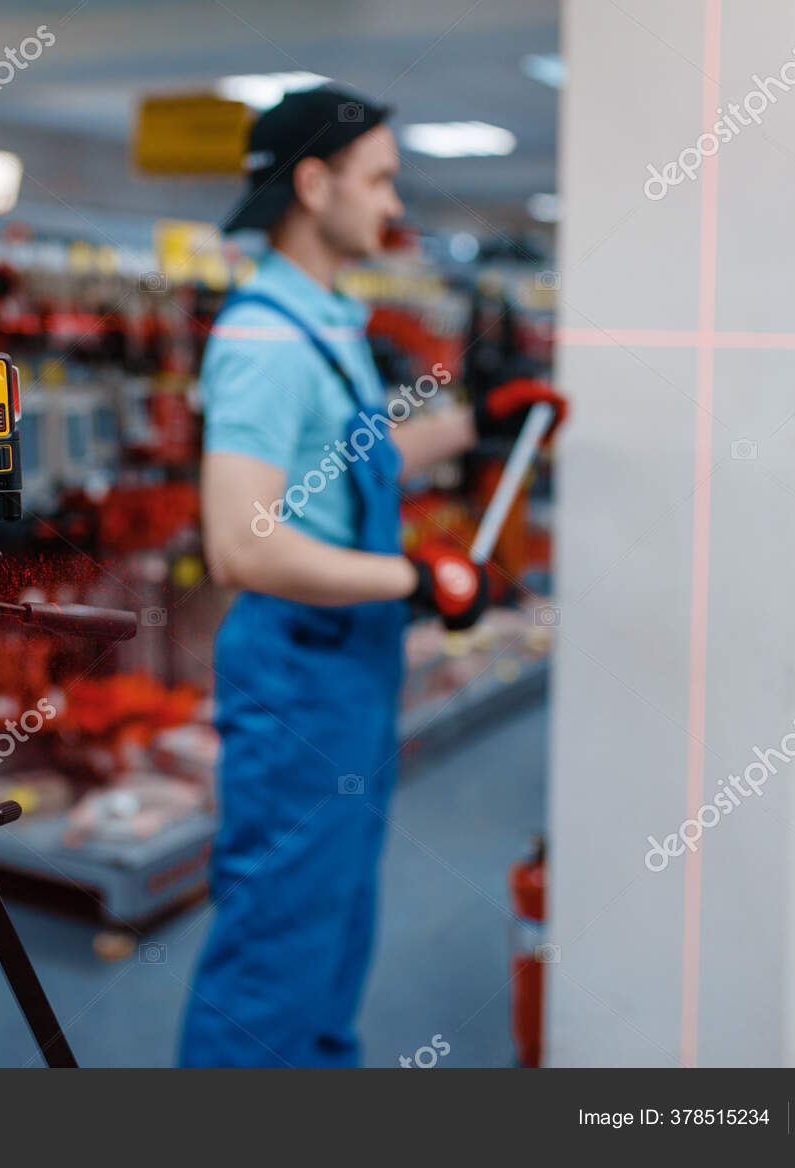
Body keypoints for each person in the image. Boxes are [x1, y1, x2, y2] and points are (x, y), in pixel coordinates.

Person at [178, 84, 559, 1067]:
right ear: (313, 183)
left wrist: (478, 424)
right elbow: (241, 543)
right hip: (299, 678)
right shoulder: (262, 340)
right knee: (274, 957)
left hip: (347, 674)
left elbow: (352, 458)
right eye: (380, 178)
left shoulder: (322, 317)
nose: (394, 204)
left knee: (332, 934)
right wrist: (415, 580)